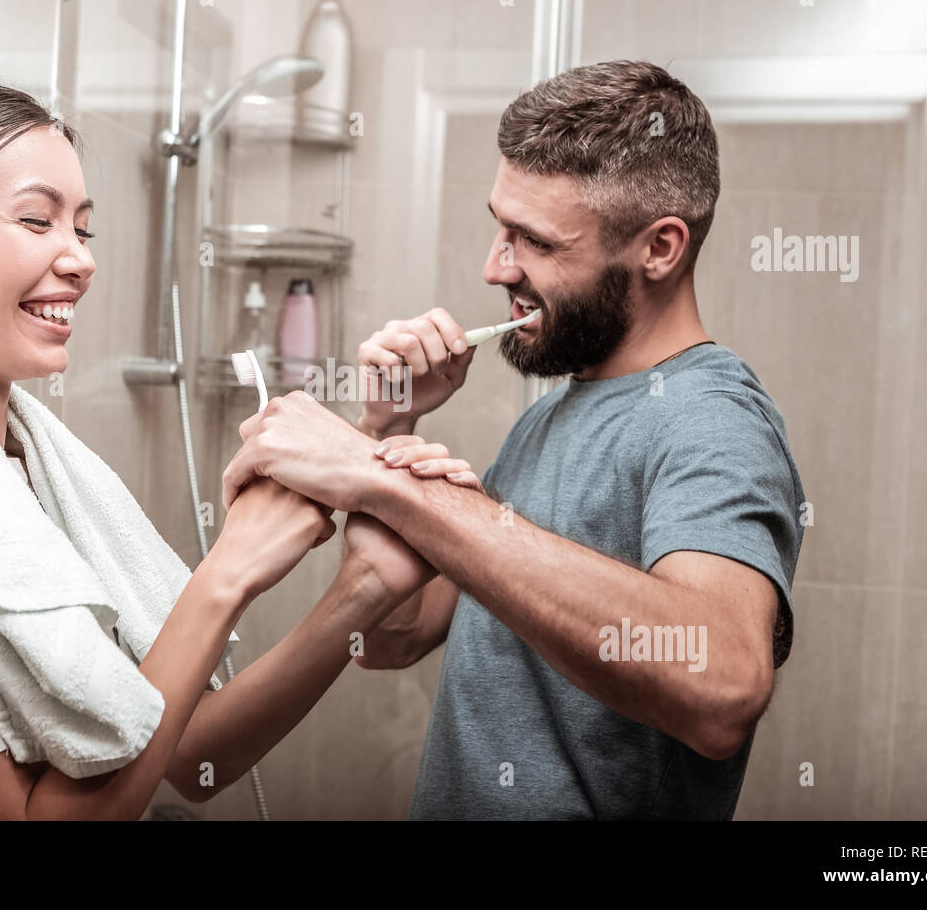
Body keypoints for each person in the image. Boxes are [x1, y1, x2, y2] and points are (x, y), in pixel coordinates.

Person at [0, 74, 479, 821]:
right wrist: (226, 573)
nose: (80, 259)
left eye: (83, 229)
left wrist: (362, 587)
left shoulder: (33, 470)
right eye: (37, 221)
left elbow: (192, 755)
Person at [221, 60, 806, 819]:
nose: (494, 267)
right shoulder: (553, 415)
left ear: (660, 249)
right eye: (500, 226)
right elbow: (397, 635)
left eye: (533, 241)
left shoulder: (710, 419)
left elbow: (723, 686)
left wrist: (390, 485)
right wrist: (390, 428)